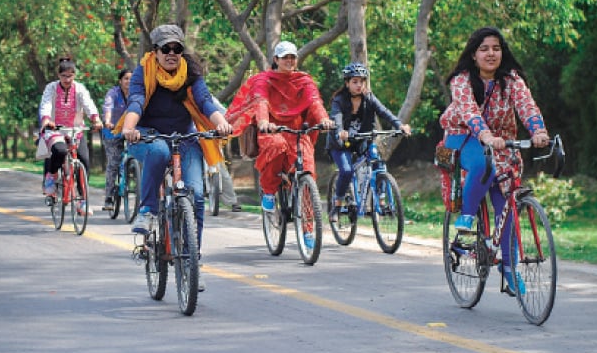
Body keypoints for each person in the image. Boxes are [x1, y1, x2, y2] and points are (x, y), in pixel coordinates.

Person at [439, 26, 549, 295]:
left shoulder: (511, 80)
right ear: (474, 54)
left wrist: (538, 130)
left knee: (507, 207)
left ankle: (509, 269)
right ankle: (466, 218)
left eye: (496, 48)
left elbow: (527, 105)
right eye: (484, 49)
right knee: (481, 164)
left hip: (501, 144)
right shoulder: (462, 80)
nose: (491, 54)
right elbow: (468, 110)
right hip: (462, 137)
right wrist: (485, 135)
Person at [118, 24, 232, 251]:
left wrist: (222, 124)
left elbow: (204, 100)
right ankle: (148, 211)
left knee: (196, 195)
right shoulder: (144, 70)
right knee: (159, 151)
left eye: (176, 49)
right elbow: (137, 100)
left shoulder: (190, 71)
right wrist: (129, 128)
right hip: (148, 135)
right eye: (165, 48)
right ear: (155, 51)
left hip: (184, 136)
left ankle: (192, 258)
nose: (171, 53)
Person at [225, 40, 333, 240]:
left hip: (297, 131)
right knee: (275, 146)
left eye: (292, 57)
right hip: (272, 130)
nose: (289, 61)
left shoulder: (304, 80)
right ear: (276, 59)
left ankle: (308, 231)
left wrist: (324, 120)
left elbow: (314, 102)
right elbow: (261, 101)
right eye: (285, 57)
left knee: (308, 168)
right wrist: (264, 121)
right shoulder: (263, 80)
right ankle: (268, 192)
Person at [326, 62, 411, 222]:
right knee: (346, 171)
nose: (359, 85)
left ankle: (381, 201)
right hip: (340, 143)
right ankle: (336, 205)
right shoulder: (339, 99)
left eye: (362, 81)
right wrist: (339, 131)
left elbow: (384, 112)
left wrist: (400, 125)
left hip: (361, 141)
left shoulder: (369, 98)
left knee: (377, 161)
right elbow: (336, 117)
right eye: (355, 81)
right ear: (347, 83)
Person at [38, 59, 103, 214]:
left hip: (75, 130)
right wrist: (47, 119)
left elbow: (88, 104)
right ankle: (51, 178)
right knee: (59, 151)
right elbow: (45, 104)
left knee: (84, 160)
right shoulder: (51, 88)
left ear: (74, 75)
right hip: (55, 129)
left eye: (70, 76)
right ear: (58, 75)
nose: (67, 80)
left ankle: (82, 200)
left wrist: (95, 118)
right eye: (64, 76)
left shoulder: (79, 89)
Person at [102, 68, 132, 210]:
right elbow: (108, 106)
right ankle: (108, 197)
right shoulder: (113, 93)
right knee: (113, 163)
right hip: (112, 132)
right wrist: (108, 121)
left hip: (131, 132)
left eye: (131, 79)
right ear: (120, 81)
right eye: (126, 78)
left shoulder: (136, 94)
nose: (129, 81)